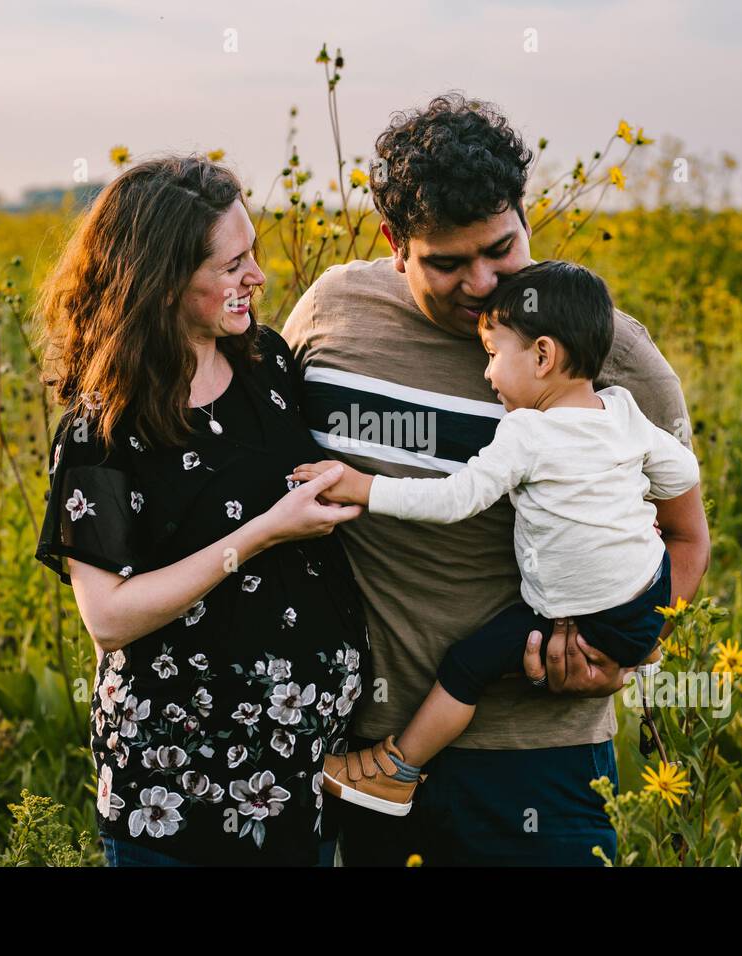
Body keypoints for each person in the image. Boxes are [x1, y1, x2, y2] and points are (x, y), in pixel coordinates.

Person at [281, 92, 710, 865]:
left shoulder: (612, 352)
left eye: (502, 249)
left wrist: (630, 647)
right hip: (361, 749)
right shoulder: (332, 316)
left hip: (538, 754)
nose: (482, 282)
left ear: (526, 215)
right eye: (448, 262)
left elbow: (686, 536)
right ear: (394, 242)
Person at [33, 154, 368, 866]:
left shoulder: (266, 364)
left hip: (303, 777)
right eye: (231, 264)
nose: (258, 277)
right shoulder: (106, 430)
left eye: (254, 253)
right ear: (161, 284)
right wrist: (264, 532)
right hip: (180, 795)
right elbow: (110, 616)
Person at [292, 260, 700, 815]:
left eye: (492, 354)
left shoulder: (526, 432)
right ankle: (646, 656)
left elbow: (454, 500)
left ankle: (397, 770)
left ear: (542, 356)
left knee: (467, 665)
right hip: (647, 604)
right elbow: (682, 475)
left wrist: (363, 487)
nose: (487, 374)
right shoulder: (622, 411)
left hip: (581, 622)